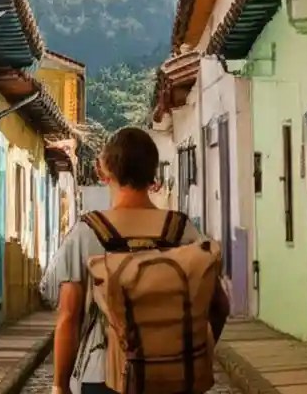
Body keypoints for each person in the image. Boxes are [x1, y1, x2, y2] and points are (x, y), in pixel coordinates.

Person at [41, 127, 230, 394]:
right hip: (173, 376)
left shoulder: (86, 232)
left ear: (104, 171)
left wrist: (60, 385)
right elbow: (220, 306)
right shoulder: (182, 229)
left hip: (103, 374)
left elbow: (69, 317)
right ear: (153, 173)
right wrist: (198, 351)